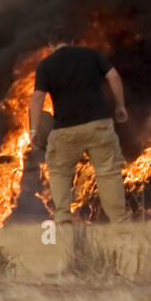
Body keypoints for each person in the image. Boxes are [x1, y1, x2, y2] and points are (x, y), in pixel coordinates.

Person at [28, 39, 130, 224]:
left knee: (60, 173)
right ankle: (120, 223)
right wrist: (120, 106)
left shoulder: (46, 65)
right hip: (99, 125)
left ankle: (63, 220)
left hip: (66, 130)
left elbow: (37, 98)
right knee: (108, 173)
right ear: (72, 41)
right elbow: (113, 76)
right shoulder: (91, 54)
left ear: (50, 44)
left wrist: (34, 130)